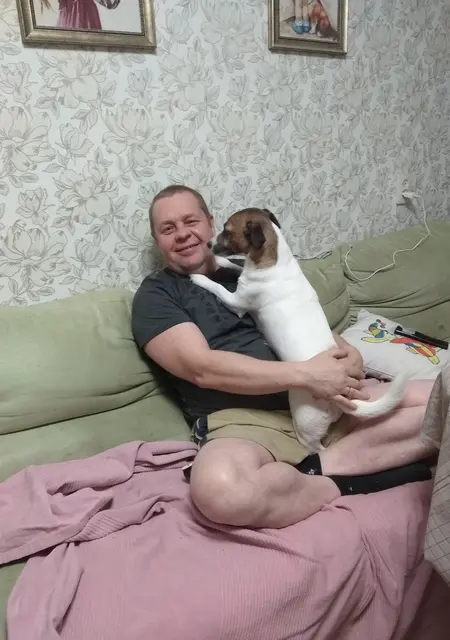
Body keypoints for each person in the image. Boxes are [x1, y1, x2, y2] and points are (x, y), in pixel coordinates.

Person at [132, 185, 436, 529]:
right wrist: (306, 375)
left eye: (191, 221)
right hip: (245, 422)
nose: (182, 234)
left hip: (323, 400)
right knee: (219, 491)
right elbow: (202, 369)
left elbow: (311, 324)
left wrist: (351, 357)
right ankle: (337, 479)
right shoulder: (156, 295)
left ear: (210, 224)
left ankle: (322, 465)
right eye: (168, 228)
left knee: (444, 395)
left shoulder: (251, 269)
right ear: (157, 241)